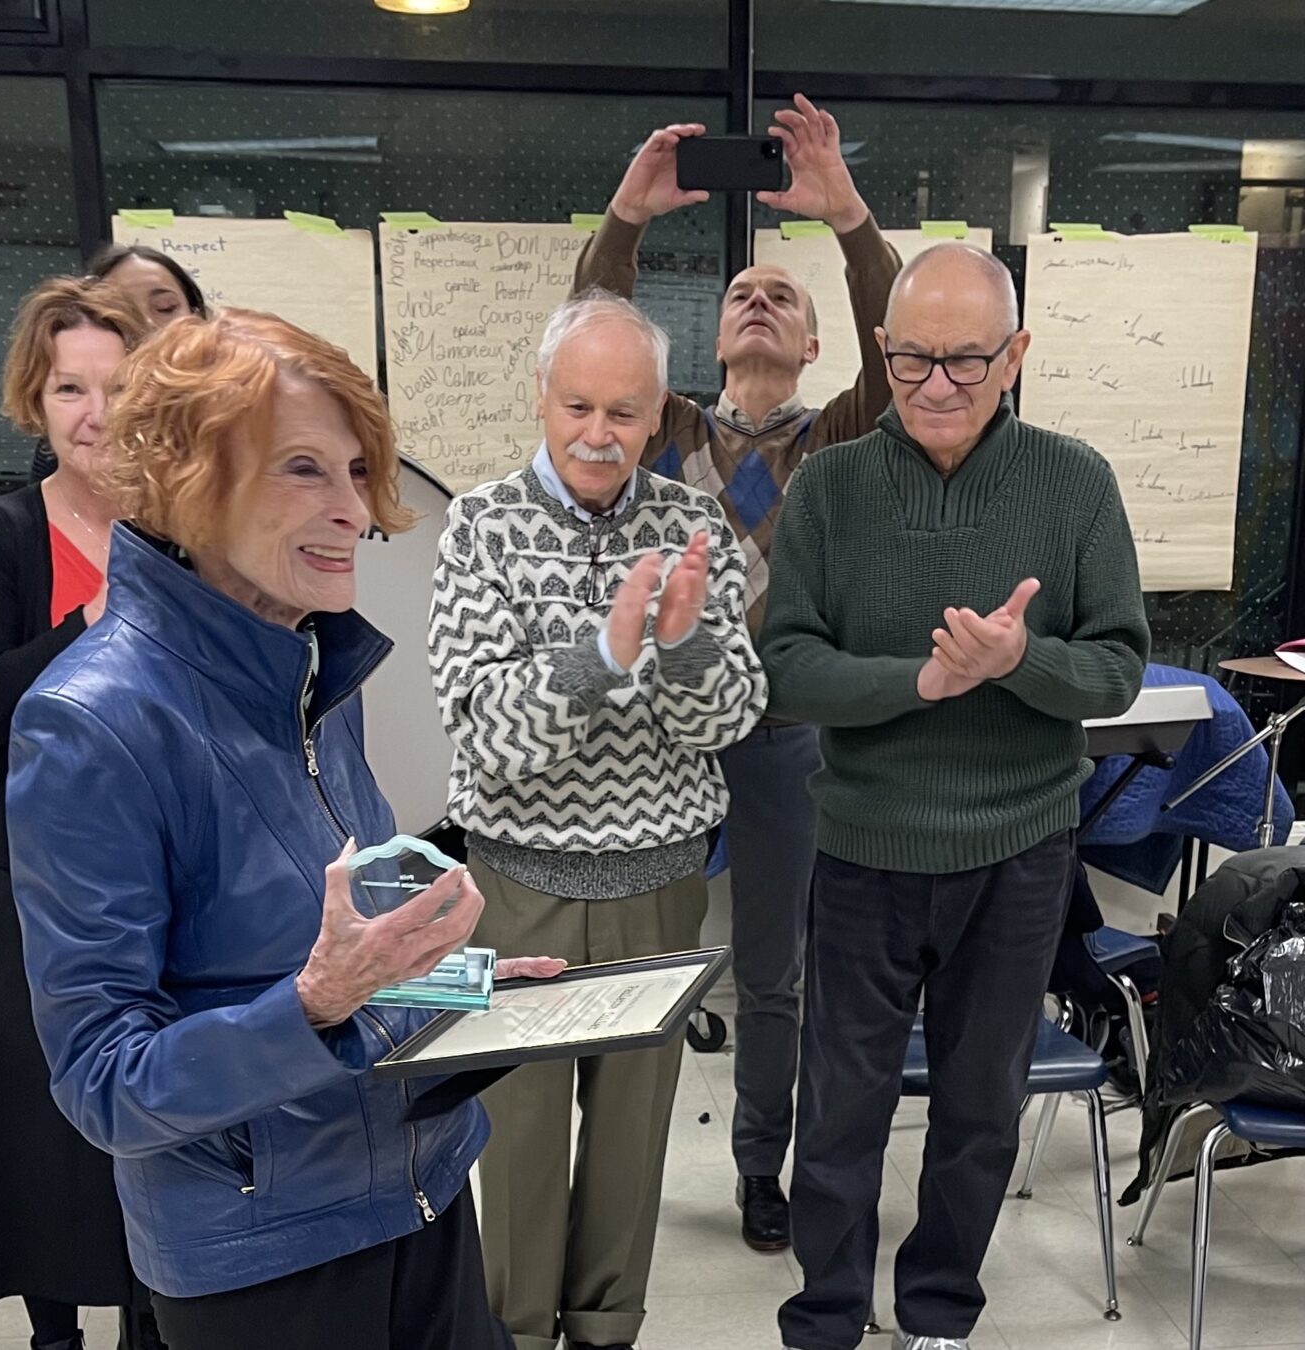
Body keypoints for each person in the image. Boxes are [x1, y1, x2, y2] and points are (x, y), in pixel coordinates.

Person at [4, 307, 563, 1350]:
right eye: (304, 469)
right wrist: (318, 1002)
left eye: (356, 472)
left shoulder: (311, 668)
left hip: (421, 1193)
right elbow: (104, 1083)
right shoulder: (92, 724)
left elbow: (333, 957)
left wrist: (464, 992)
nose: (353, 510)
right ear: (185, 478)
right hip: (263, 1255)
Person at [758, 243, 1150, 1350]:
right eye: (914, 359)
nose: (936, 386)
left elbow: (1117, 666)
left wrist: (1019, 659)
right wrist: (921, 681)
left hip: (1021, 847)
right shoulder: (831, 485)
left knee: (980, 1110)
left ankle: (938, 1315)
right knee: (839, 1112)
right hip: (865, 845)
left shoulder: (1074, 483)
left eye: (968, 363)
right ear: (882, 353)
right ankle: (825, 1319)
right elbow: (785, 664)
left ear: (1016, 353)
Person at [574, 94, 901, 1250]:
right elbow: (588, 329)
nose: (758, 302)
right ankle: (603, 1167)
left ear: (812, 346)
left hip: (784, 738)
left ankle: (762, 1168)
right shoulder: (661, 433)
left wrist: (848, 216)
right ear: (713, 339)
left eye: (784, 299)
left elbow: (898, 336)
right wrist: (626, 215)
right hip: (656, 734)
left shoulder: (847, 440)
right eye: (738, 296)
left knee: (772, 976)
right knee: (627, 951)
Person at [428, 289, 767, 1350]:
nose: (597, 434)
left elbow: (730, 718)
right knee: (515, 1141)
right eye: (578, 404)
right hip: (515, 889)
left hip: (660, 884)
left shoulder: (692, 524)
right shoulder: (479, 527)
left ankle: (608, 1330)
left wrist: (685, 645)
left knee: (631, 1146)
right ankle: (517, 1335)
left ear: (659, 411)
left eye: (624, 412)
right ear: (542, 394)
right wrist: (609, 655)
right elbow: (488, 732)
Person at [0, 276, 158, 1350]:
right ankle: (55, 1334)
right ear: (36, 397)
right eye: (70, 387)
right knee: (40, 1130)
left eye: (118, 386)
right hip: (23, 885)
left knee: (153, 1127)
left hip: (158, 878)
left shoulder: (183, 528)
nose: (96, 413)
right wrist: (99, 613)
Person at [30, 244, 207, 481]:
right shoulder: (78, 427)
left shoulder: (230, 406)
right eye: (124, 309)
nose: (147, 323)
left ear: (196, 316)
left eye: (165, 308)